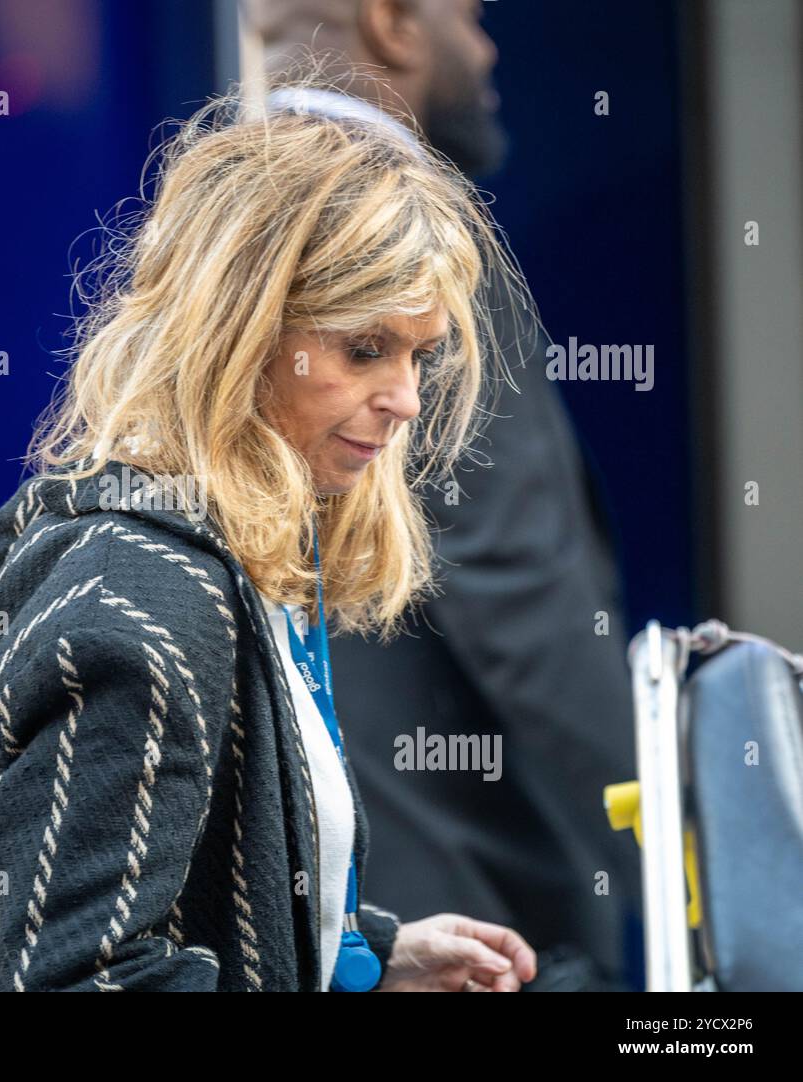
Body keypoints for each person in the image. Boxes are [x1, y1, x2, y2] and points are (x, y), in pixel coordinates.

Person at [0, 83, 537, 992]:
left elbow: (211, 882)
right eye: (364, 349)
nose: (407, 399)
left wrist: (366, 955)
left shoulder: (237, 560)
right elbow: (80, 978)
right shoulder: (145, 595)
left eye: (420, 355)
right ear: (242, 331)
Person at [243, 0, 642, 988]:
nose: (490, 45)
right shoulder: (404, 231)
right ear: (392, 21)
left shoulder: (220, 222)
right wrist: (677, 830)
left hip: (323, 900)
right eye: (472, 12)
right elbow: (524, 596)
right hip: (466, 898)